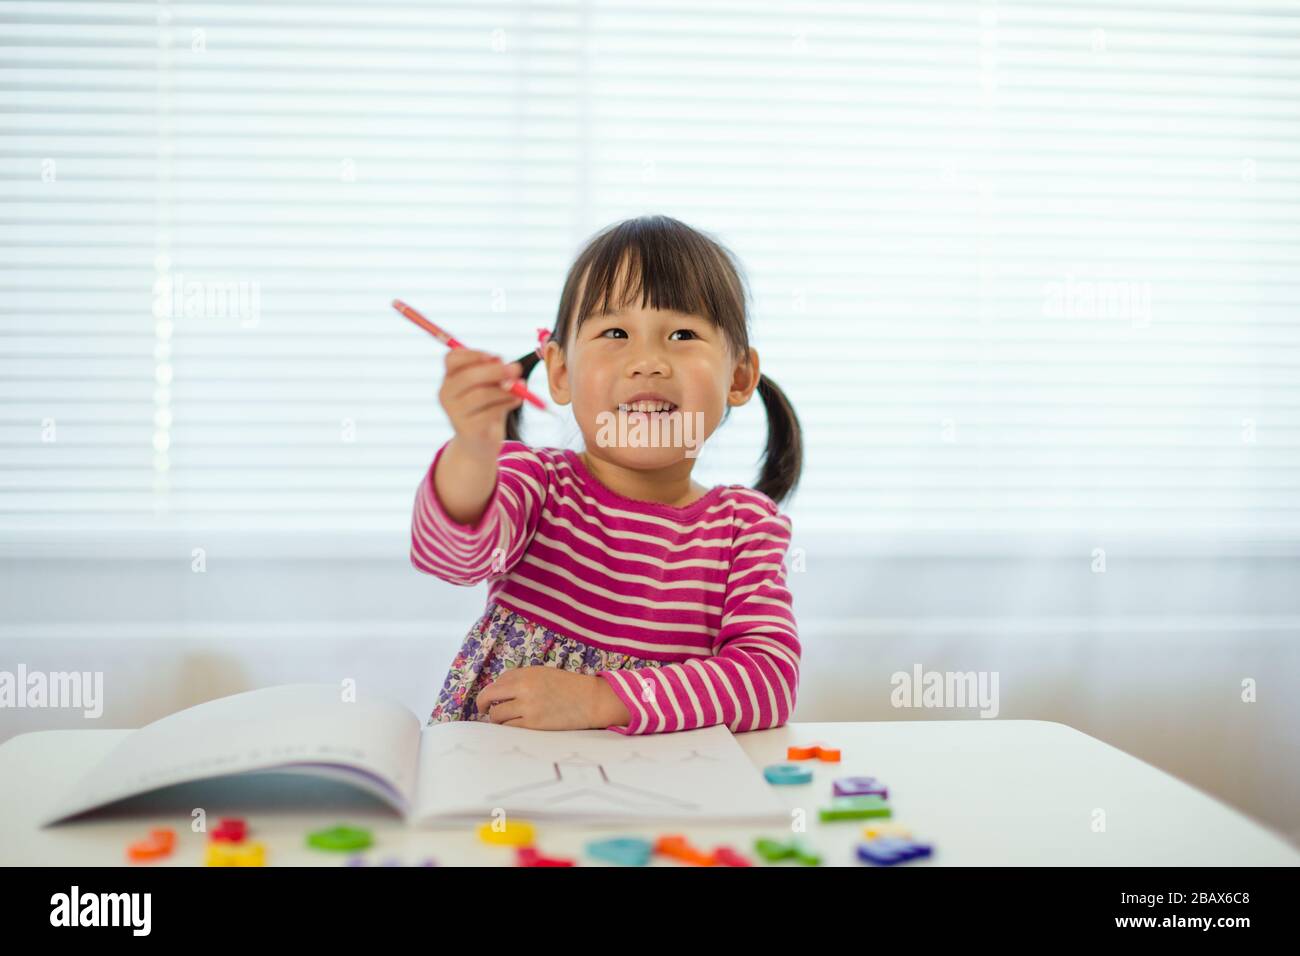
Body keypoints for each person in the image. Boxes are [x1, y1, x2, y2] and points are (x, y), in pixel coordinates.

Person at [411, 214, 802, 735]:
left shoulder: (745, 529)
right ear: (560, 371)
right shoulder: (536, 484)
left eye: (683, 334)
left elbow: (768, 682)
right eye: (615, 332)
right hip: (505, 789)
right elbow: (451, 555)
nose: (647, 362)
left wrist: (601, 700)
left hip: (665, 794)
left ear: (739, 376)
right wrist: (474, 448)